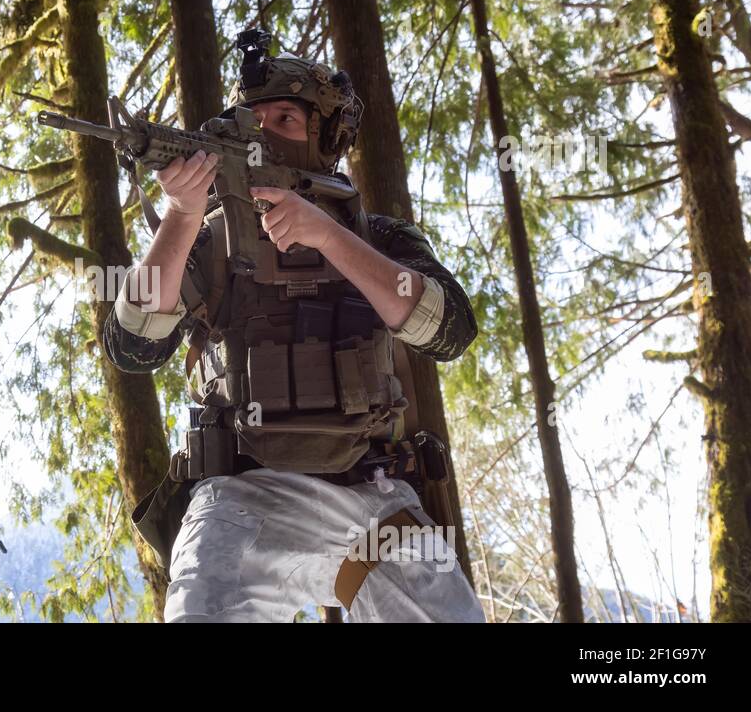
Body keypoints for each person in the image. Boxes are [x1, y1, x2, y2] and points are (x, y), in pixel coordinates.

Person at [104, 31, 485, 623]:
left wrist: (331, 238)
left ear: (322, 139)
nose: (266, 132)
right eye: (253, 120)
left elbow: (451, 329)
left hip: (372, 496)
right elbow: (133, 346)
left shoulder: (379, 236)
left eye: (285, 117)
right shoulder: (210, 237)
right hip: (241, 493)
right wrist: (181, 215)